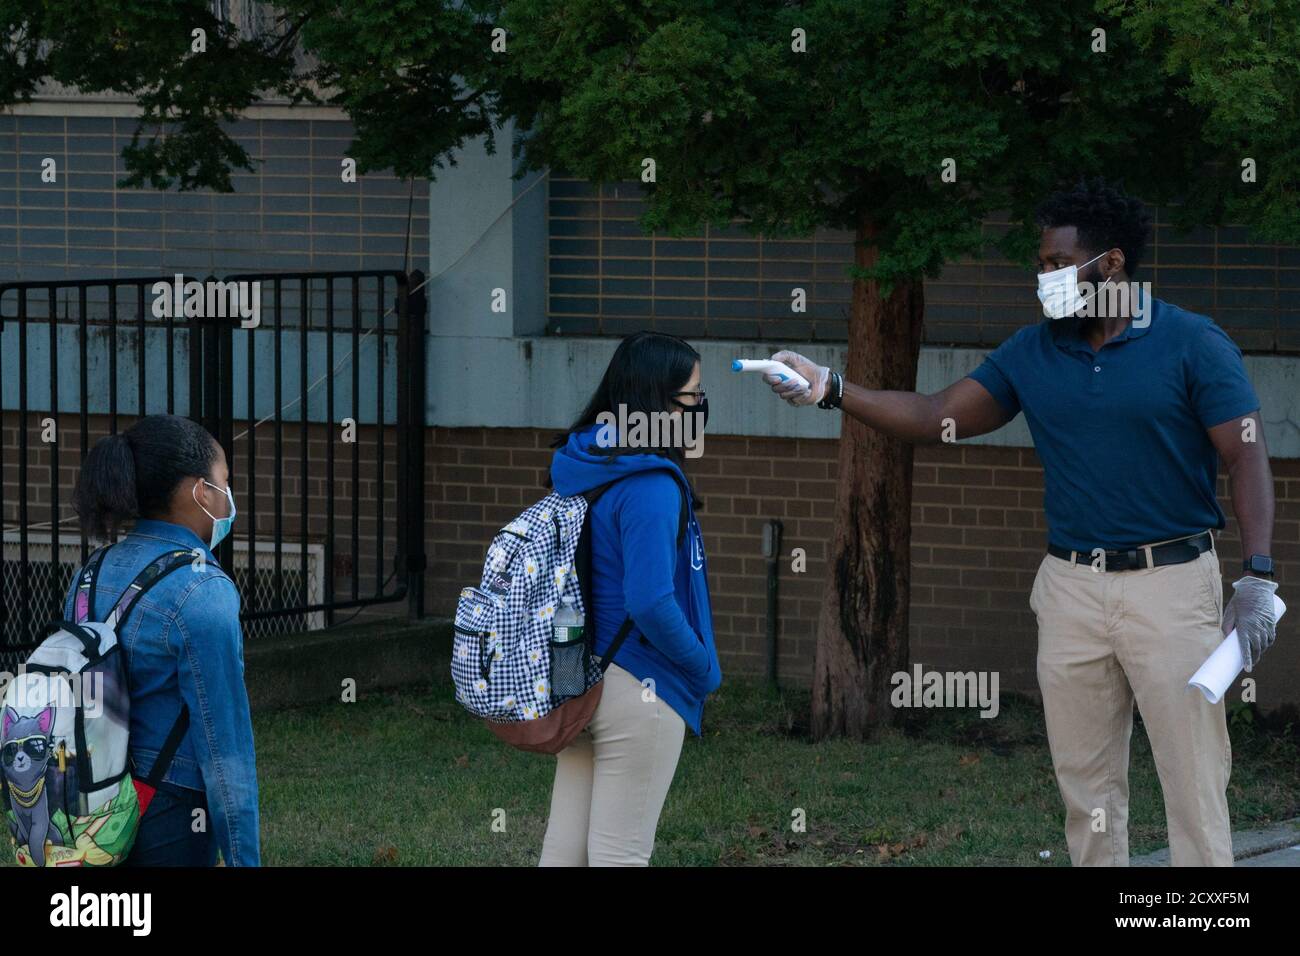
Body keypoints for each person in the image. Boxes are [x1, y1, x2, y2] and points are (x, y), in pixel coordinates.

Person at [763, 178, 1277, 867]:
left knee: (1193, 785)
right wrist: (830, 388)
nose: (1043, 280)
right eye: (1039, 266)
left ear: (1112, 265)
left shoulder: (1192, 343)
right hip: (1070, 588)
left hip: (1172, 584)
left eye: (1057, 266)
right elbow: (932, 416)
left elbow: (1244, 454)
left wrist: (1258, 574)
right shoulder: (1034, 352)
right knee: (1086, 790)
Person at [539, 331, 722, 866]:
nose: (701, 408)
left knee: (566, 850)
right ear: (655, 403)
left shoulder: (582, 462)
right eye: (692, 397)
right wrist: (703, 670)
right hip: (642, 686)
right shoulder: (651, 485)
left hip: (578, 673)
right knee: (621, 854)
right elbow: (651, 602)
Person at [69, 414, 260, 866]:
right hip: (170, 813)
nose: (229, 496)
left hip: (87, 804)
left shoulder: (90, 574)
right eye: (223, 481)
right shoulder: (203, 590)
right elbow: (224, 749)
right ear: (199, 491)